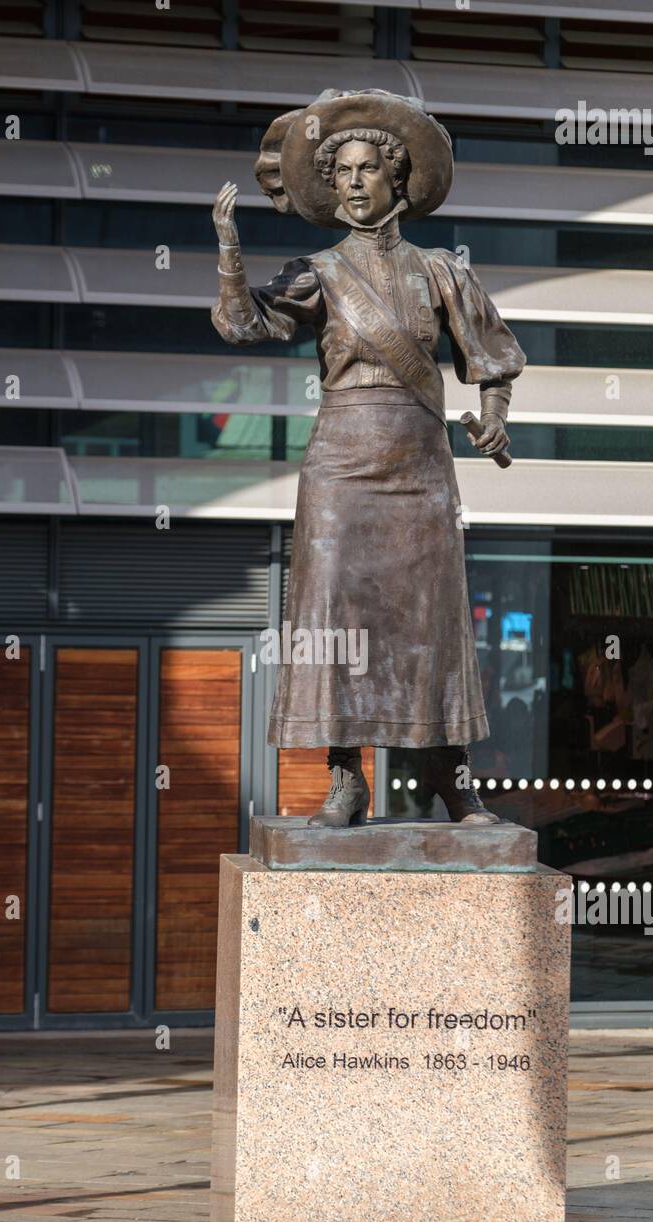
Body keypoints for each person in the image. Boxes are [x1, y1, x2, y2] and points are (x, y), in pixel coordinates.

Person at [211, 89, 525, 828]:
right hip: (342, 465)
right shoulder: (316, 272)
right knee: (335, 614)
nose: (353, 182)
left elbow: (495, 360)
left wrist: (491, 419)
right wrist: (230, 249)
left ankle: (453, 778)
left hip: (419, 462)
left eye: (367, 170)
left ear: (397, 182)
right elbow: (242, 325)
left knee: (433, 618)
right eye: (341, 171)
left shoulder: (441, 271)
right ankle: (345, 777)